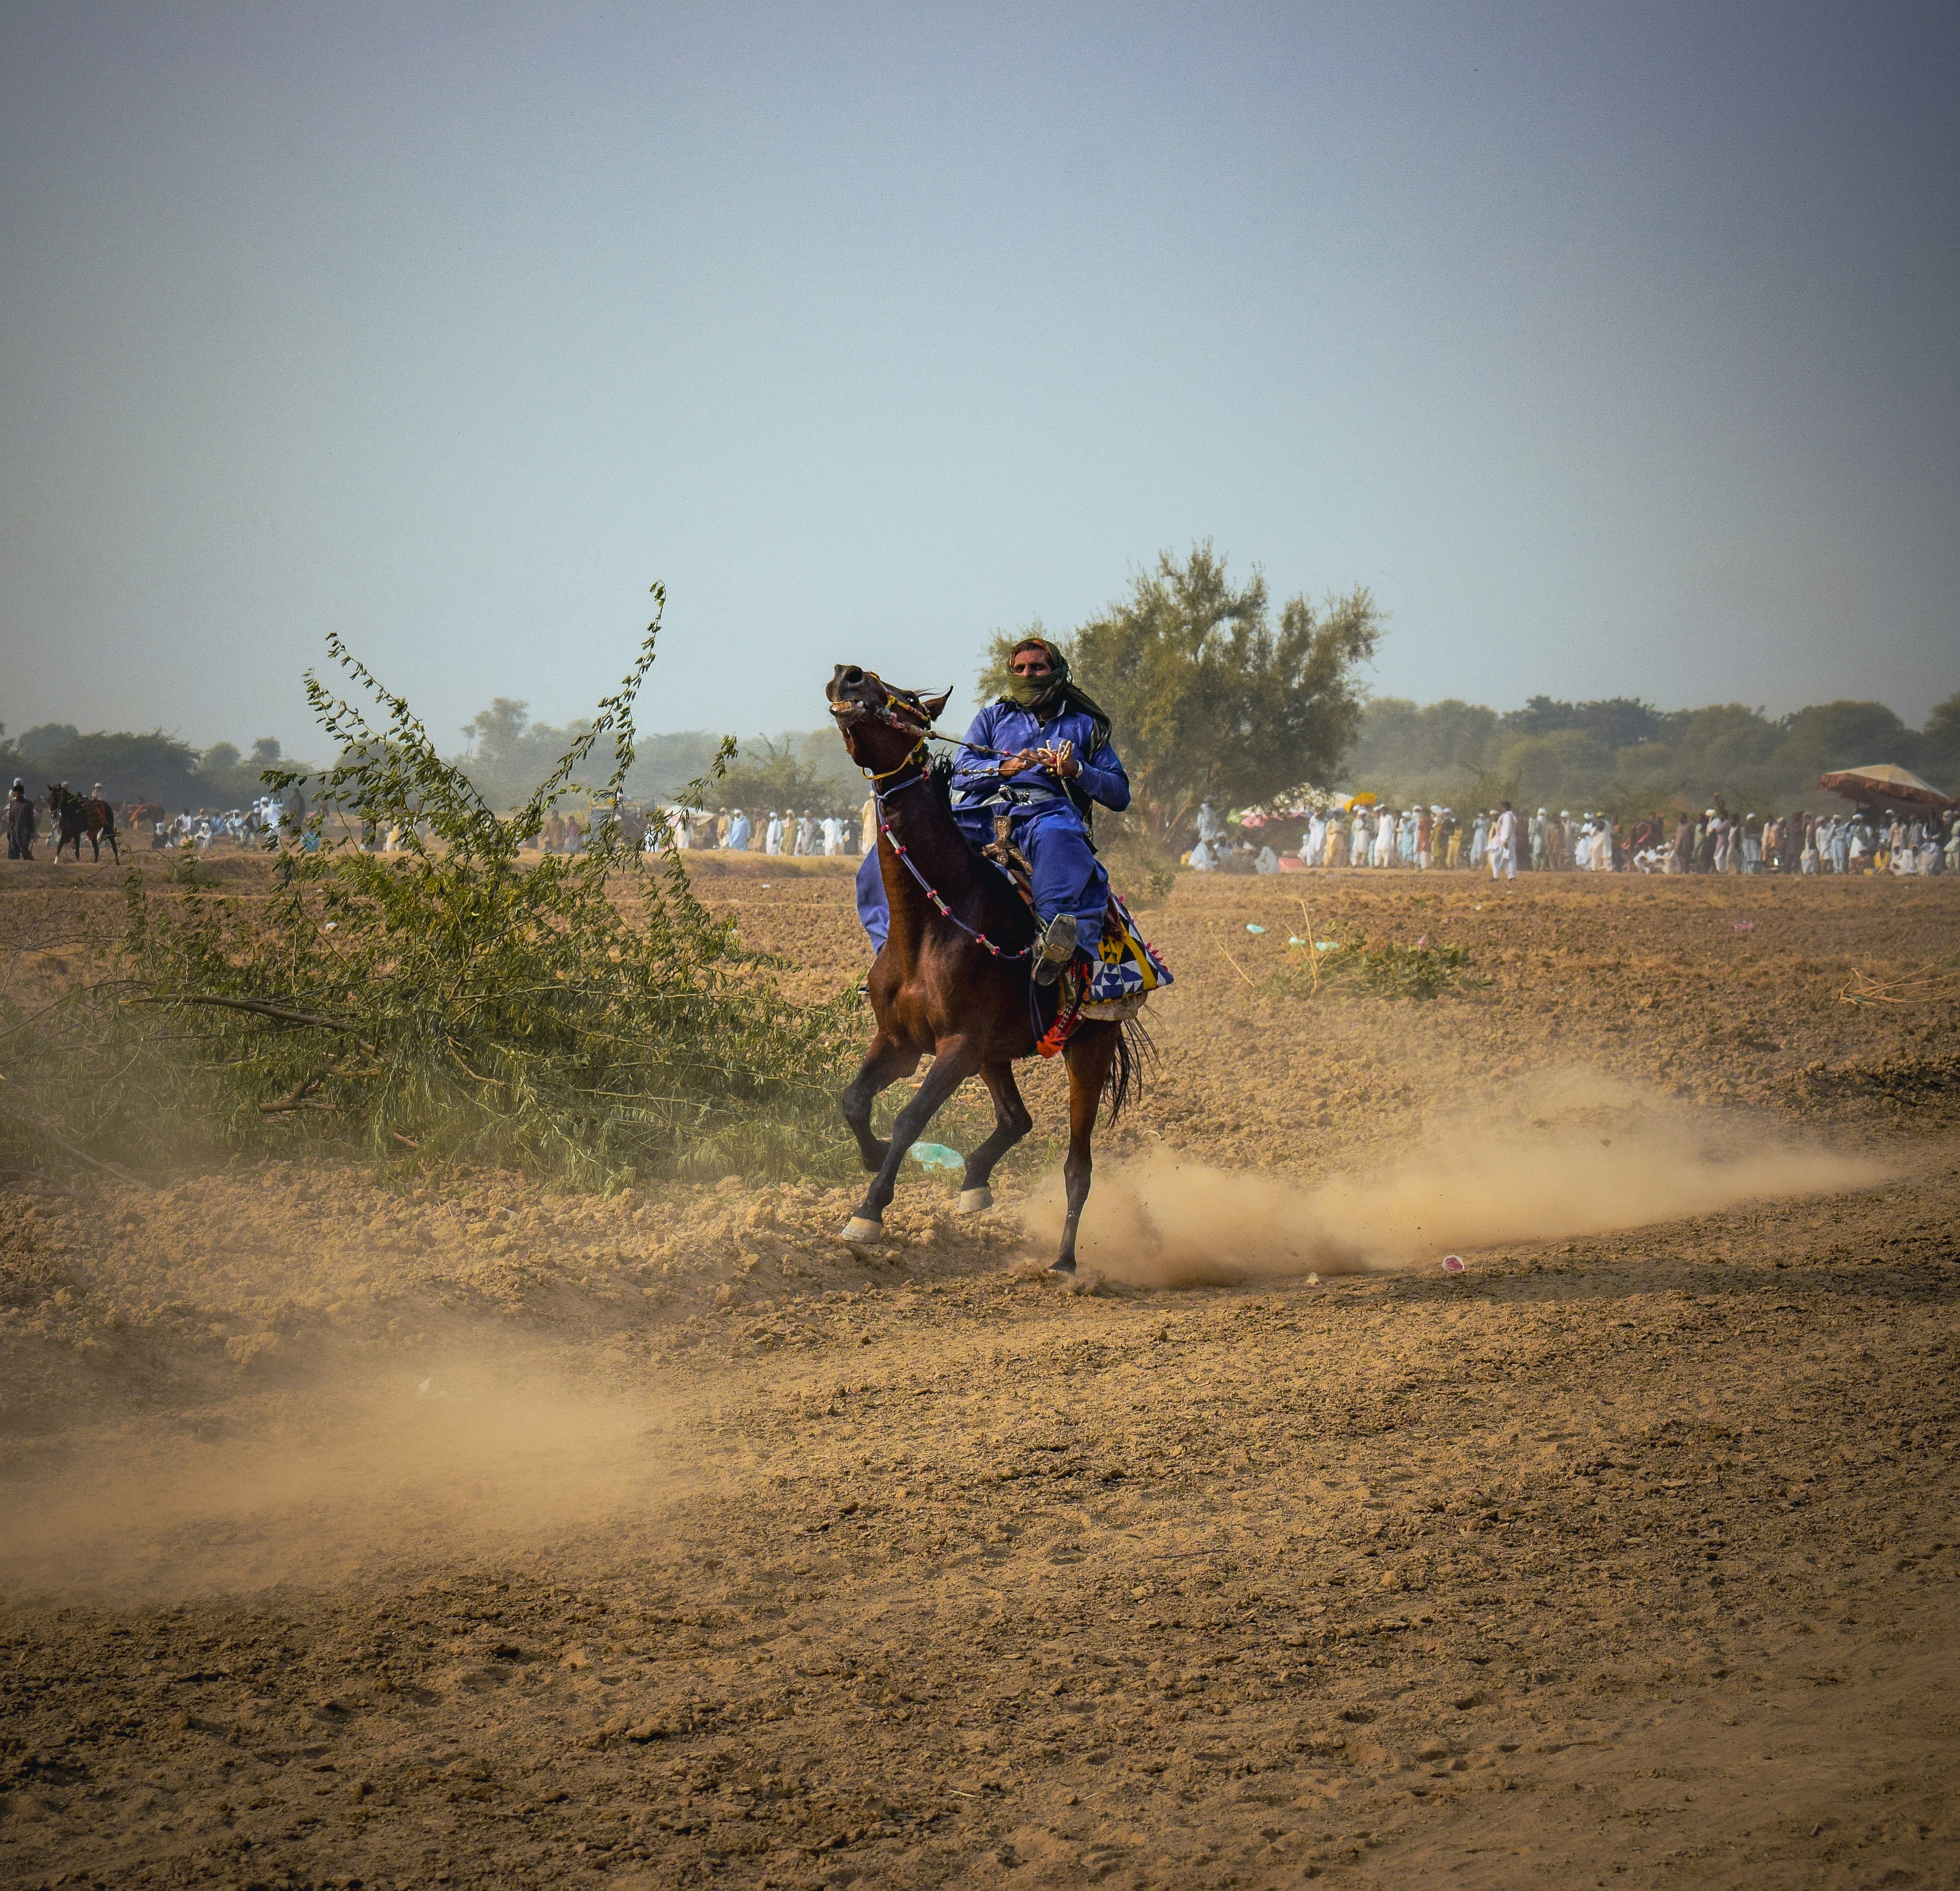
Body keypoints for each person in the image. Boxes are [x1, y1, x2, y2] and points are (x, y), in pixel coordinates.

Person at [855, 634, 1130, 984]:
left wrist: (1076, 770)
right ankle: (889, 952)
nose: (1028, 674)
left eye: (1037, 667)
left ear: (1057, 672)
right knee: (889, 857)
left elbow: (1120, 793)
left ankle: (1052, 947)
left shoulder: (1085, 726)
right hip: (978, 815)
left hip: (1047, 816)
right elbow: (961, 773)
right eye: (1020, 668)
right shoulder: (992, 718)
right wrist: (1005, 768)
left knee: (1060, 842)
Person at [1489, 800, 1519, 881]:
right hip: (1508, 839)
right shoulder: (1511, 815)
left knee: (1497, 858)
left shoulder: (1507, 816)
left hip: (1505, 840)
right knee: (1507, 858)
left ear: (1504, 807)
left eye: (1502, 807)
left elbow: (1507, 828)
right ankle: (1509, 876)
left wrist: (1505, 839)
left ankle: (1499, 876)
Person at [5, 779, 34, 860]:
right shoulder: (13, 804)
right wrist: (9, 831)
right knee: (13, 853)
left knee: (24, 850)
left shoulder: (28, 804)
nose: (17, 795)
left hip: (25, 832)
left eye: (19, 793)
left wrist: (32, 832)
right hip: (14, 831)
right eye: (16, 793)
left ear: (22, 793)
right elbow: (11, 819)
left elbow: (31, 819)